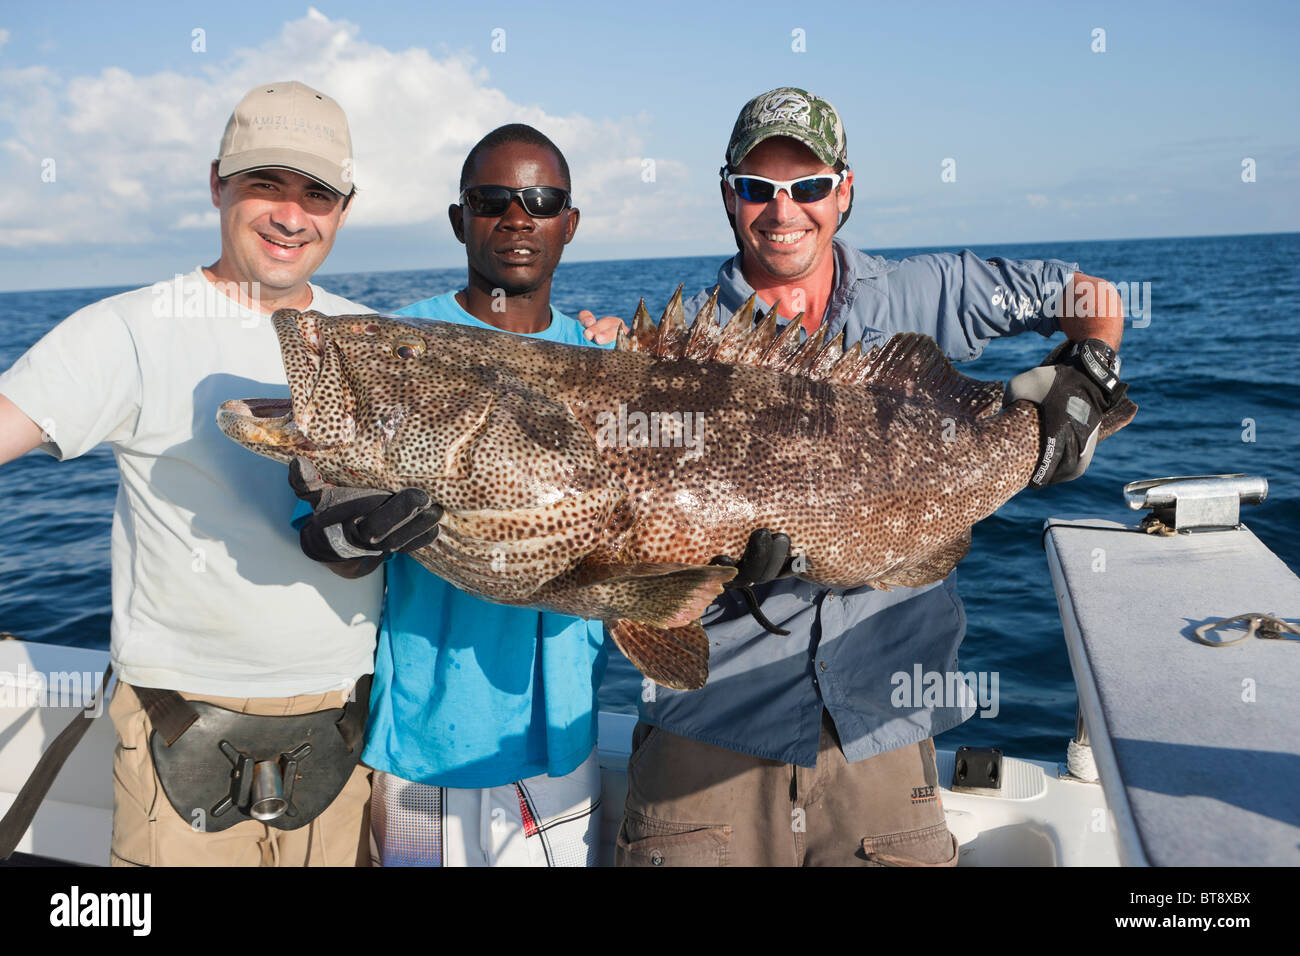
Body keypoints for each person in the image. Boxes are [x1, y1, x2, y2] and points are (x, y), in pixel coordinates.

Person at [610, 87, 1128, 867]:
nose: (784, 213)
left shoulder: (928, 292)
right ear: (728, 195)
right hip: (712, 721)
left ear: (844, 191)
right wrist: (708, 566)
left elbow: (1088, 295)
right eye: (758, 189)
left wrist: (1087, 377)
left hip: (883, 723)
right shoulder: (675, 349)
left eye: (809, 187)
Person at [0, 81, 384, 867]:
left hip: (347, 727)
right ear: (217, 184)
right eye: (264, 185)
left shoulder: (373, 342)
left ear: (344, 208)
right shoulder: (126, 330)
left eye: (316, 193)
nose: (290, 214)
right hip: (182, 733)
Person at [292, 123, 623, 866]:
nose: (516, 218)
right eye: (490, 199)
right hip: (419, 748)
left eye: (540, 200)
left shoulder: (610, 360)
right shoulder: (392, 346)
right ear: (458, 219)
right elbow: (321, 527)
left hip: (559, 743)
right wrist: (352, 533)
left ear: (568, 223)